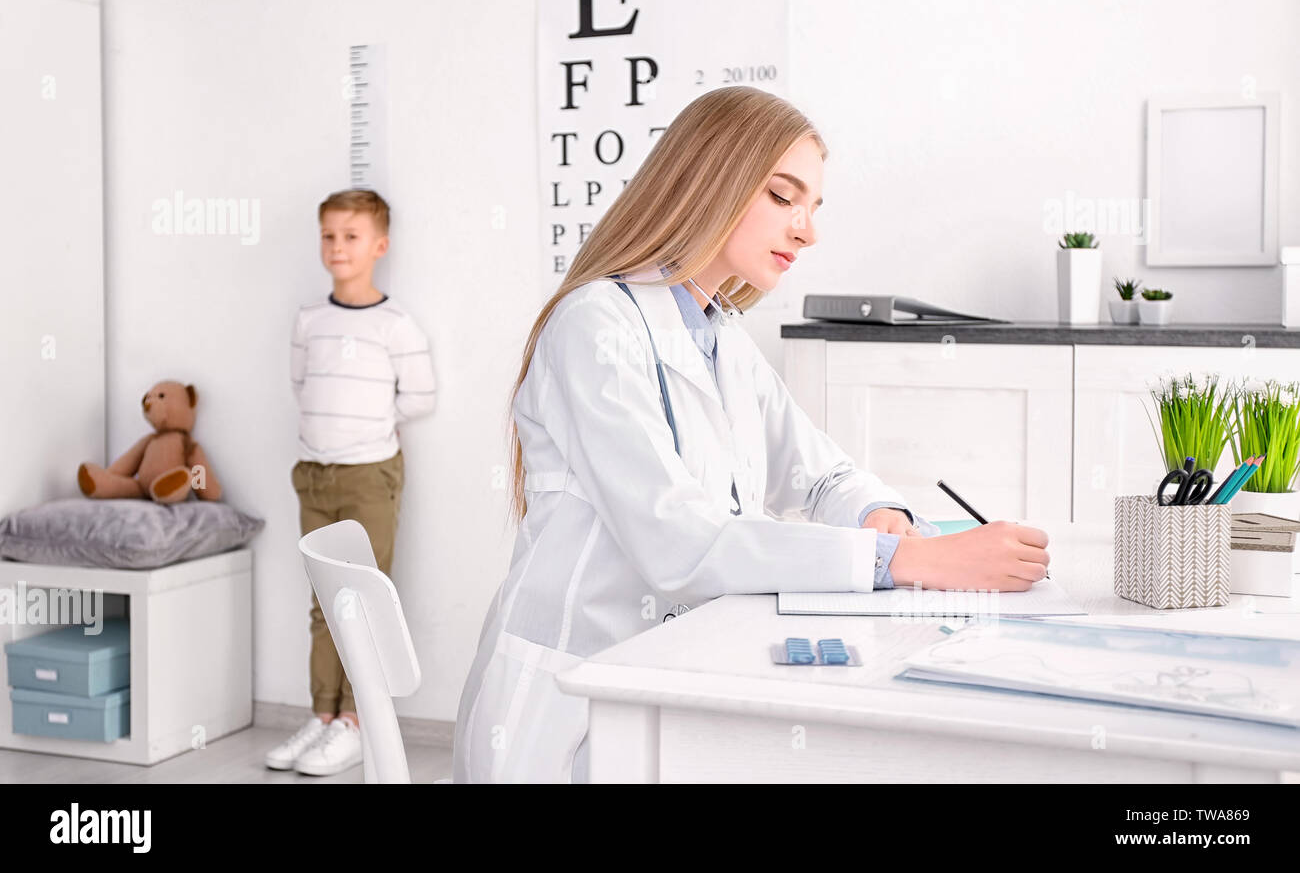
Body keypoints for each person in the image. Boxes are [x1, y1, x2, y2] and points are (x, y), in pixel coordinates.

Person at [452, 86, 1051, 783]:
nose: (806, 230)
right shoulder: (596, 326)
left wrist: (876, 514)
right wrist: (910, 562)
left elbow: (820, 473)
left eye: (813, 206)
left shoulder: (721, 336)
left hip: (670, 675)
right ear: (710, 179)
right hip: (569, 701)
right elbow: (679, 543)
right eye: (782, 195)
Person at [265, 188, 436, 775]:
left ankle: (356, 724)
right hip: (314, 473)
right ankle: (322, 715)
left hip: (370, 474)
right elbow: (300, 386)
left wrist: (364, 435)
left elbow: (419, 396)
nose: (338, 247)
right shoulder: (309, 320)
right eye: (329, 236)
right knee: (322, 602)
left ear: (379, 246)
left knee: (360, 600)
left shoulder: (395, 324)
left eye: (351, 236)